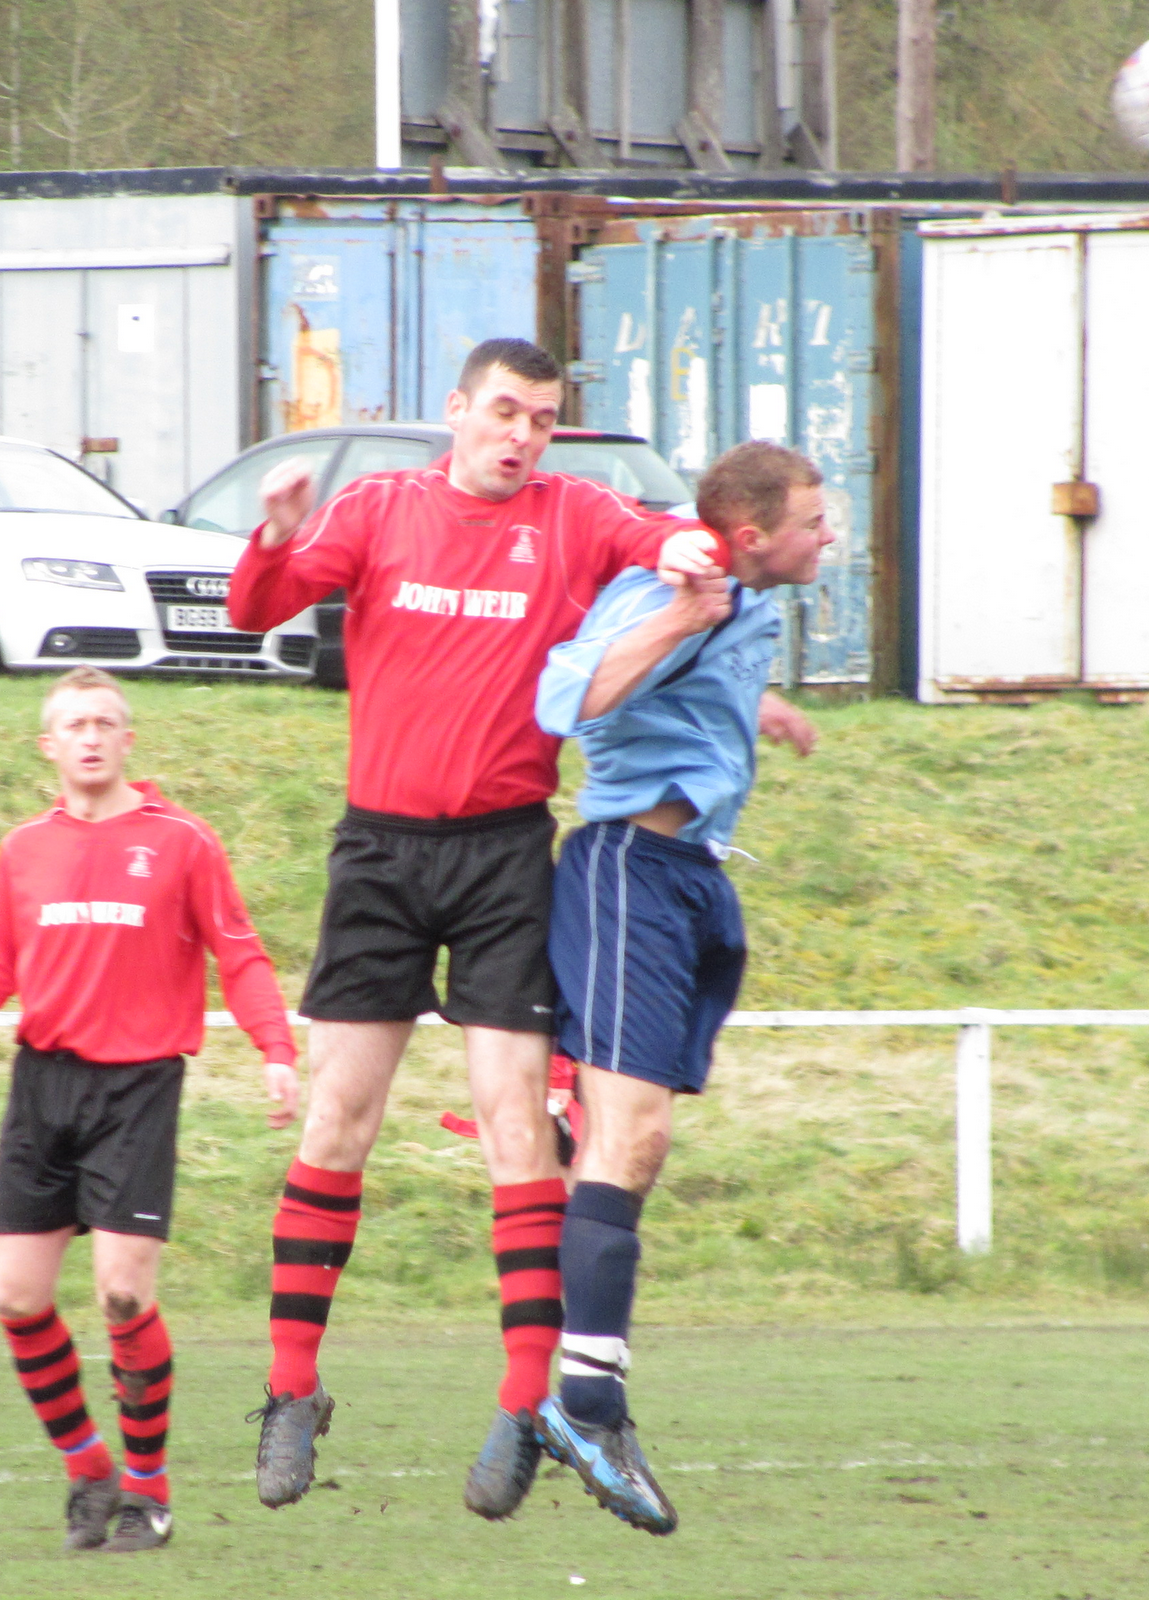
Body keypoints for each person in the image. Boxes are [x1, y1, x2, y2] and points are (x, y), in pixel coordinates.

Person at [225, 336, 719, 1518]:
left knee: (516, 1130)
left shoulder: (572, 514)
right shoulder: (381, 505)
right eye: (504, 412)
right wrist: (279, 529)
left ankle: (520, 1405)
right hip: (382, 853)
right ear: (456, 411)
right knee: (342, 1118)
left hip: (506, 854)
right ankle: (292, 1390)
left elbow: (659, 540)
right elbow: (255, 609)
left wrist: (688, 545)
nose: (521, 436)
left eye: (542, 419)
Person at [532, 439, 828, 1534]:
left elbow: (684, 694)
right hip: (628, 873)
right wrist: (676, 617)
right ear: (751, 536)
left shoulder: (742, 601)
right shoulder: (671, 587)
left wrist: (760, 711)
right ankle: (582, 1401)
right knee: (630, 1138)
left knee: (617, 1146)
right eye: (813, 519)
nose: (828, 535)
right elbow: (566, 695)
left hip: (688, 886)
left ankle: (548, 1392)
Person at [0, 667, 297, 1554]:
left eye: (106, 722)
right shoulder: (20, 851)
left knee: (125, 1295)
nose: (91, 736)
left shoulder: (182, 842)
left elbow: (239, 954)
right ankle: (87, 1469)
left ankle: (149, 1493)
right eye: (74, 725)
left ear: (129, 739)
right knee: (16, 1297)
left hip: (138, 1087)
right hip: (42, 1083)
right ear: (49, 746)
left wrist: (276, 1051)